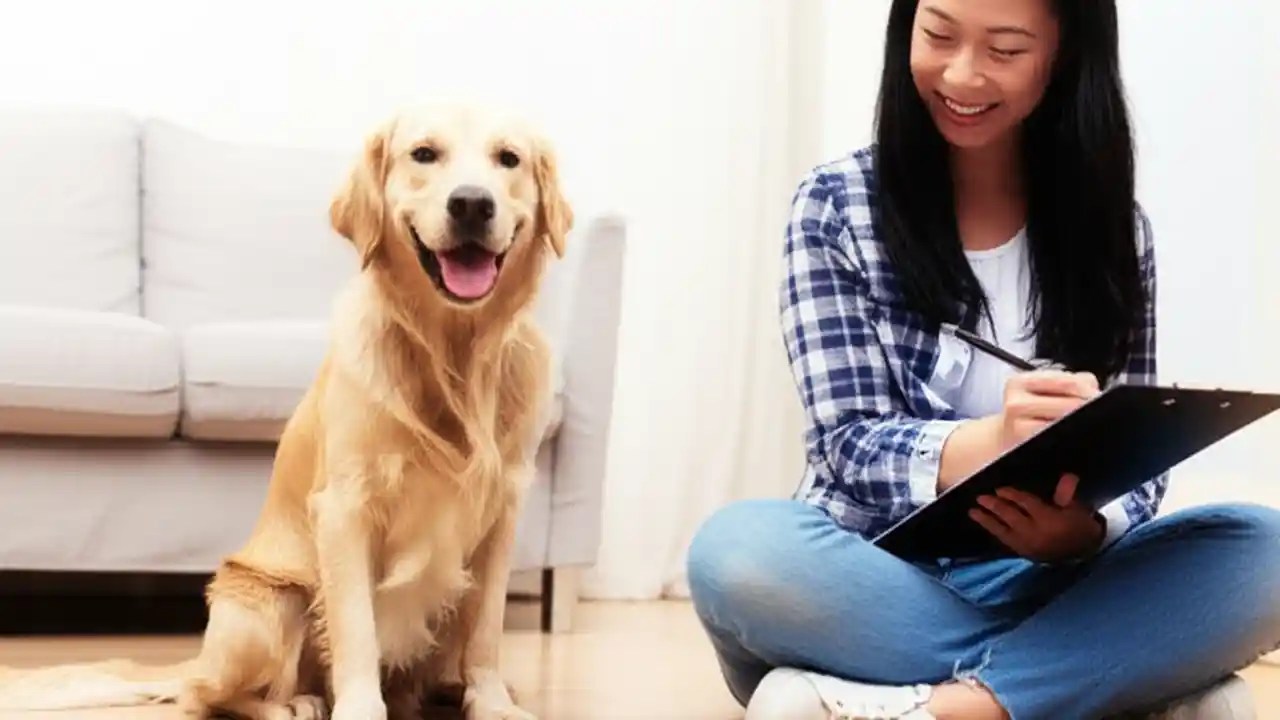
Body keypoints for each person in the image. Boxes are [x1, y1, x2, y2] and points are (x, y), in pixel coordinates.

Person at [685, 1, 1280, 719]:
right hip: (874, 578)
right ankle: (1104, 680)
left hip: (1052, 579)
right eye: (938, 35)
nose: (961, 75)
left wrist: (1082, 533)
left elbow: (1137, 466)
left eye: (1004, 50)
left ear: (1065, 55)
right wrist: (991, 442)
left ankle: (947, 708)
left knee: (1267, 549)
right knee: (737, 553)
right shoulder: (837, 205)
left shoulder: (1116, 230)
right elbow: (847, 443)